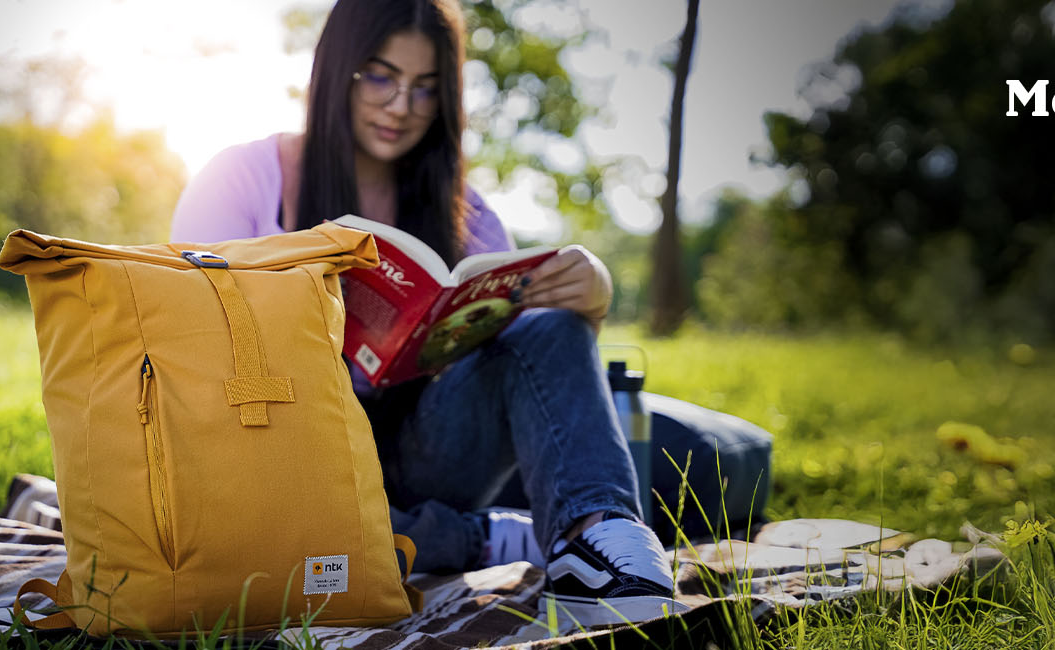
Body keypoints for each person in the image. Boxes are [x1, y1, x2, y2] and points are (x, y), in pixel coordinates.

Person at [170, 0, 685, 626]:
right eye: (380, 76)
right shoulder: (241, 178)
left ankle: (599, 539)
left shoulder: (469, 215)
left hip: (424, 451)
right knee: (238, 535)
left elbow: (533, 379)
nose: (400, 106)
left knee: (547, 326)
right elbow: (189, 347)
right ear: (336, 70)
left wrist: (591, 299)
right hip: (282, 459)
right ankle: (476, 539)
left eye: (426, 88)